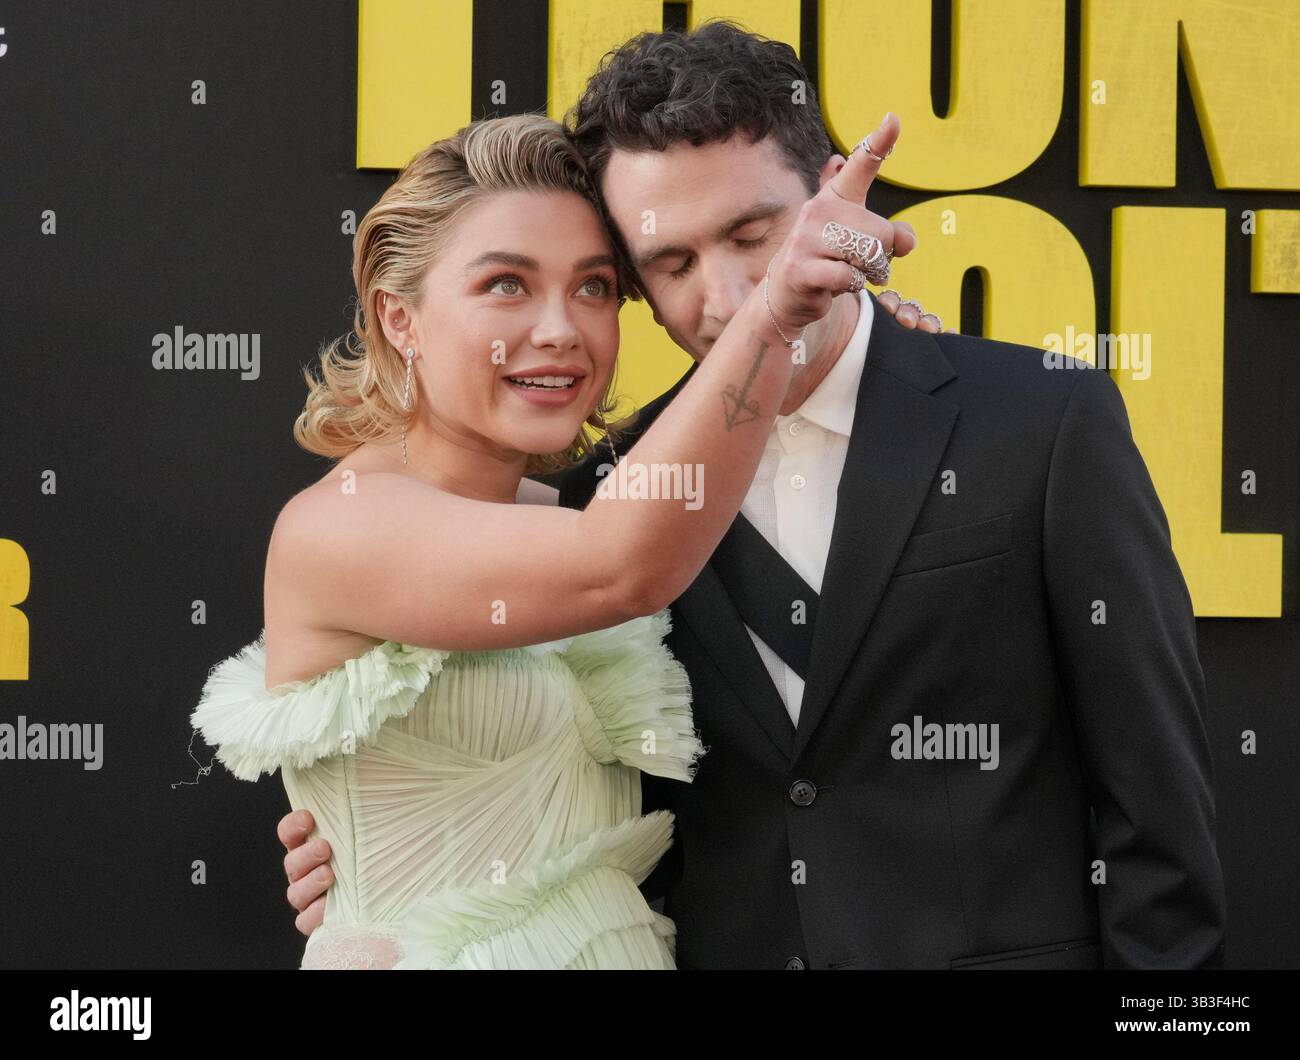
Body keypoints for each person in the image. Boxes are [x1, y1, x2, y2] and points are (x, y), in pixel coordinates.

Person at [279, 20, 1228, 970]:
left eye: (753, 236)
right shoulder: (607, 496)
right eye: (673, 264)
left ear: (828, 201)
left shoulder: (1040, 423)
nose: (729, 297)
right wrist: (378, 865)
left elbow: (1157, 793)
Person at [193, 106, 930, 968]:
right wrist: (777, 316)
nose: (560, 329)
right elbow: (621, 567)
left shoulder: (576, 505)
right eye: (506, 283)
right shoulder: (341, 523)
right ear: (400, 319)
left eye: (593, 287)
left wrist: (864, 355)